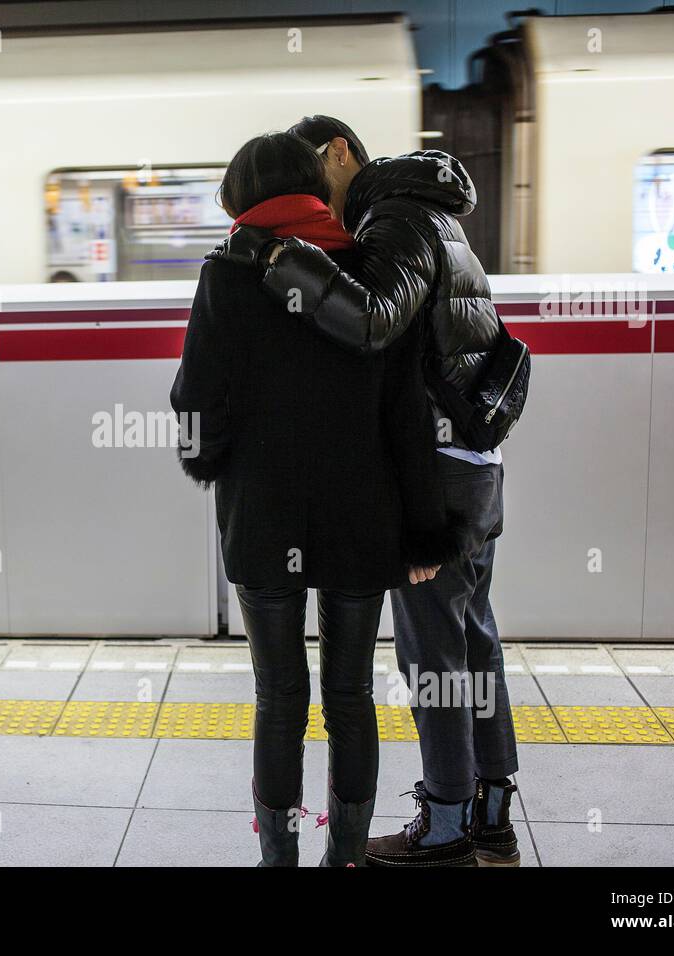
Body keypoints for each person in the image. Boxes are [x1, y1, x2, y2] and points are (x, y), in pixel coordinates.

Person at [211, 115, 521, 866]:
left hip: (439, 463)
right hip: (470, 458)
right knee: (474, 640)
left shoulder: (398, 217)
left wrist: (282, 257)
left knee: (433, 651)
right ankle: (491, 809)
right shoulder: (424, 210)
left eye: (317, 168)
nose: (313, 188)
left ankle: (447, 823)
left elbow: (377, 319)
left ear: (342, 151)